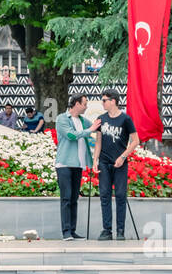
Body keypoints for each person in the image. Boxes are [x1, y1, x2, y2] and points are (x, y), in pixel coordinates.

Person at [90, 88, 139, 240]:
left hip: (120, 163)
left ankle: (120, 230)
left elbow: (135, 140)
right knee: (104, 195)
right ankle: (107, 230)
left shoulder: (125, 119)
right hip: (104, 162)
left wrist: (123, 156)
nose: (102, 103)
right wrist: (95, 161)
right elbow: (98, 142)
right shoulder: (101, 119)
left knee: (120, 195)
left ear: (113, 101)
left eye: (104, 100)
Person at [54, 94, 92, 240]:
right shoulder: (62, 119)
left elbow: (97, 126)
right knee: (66, 198)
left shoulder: (82, 120)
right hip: (64, 163)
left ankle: (72, 230)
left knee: (74, 198)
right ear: (76, 104)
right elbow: (71, 135)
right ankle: (66, 232)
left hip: (78, 165)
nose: (86, 106)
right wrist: (90, 130)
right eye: (84, 103)